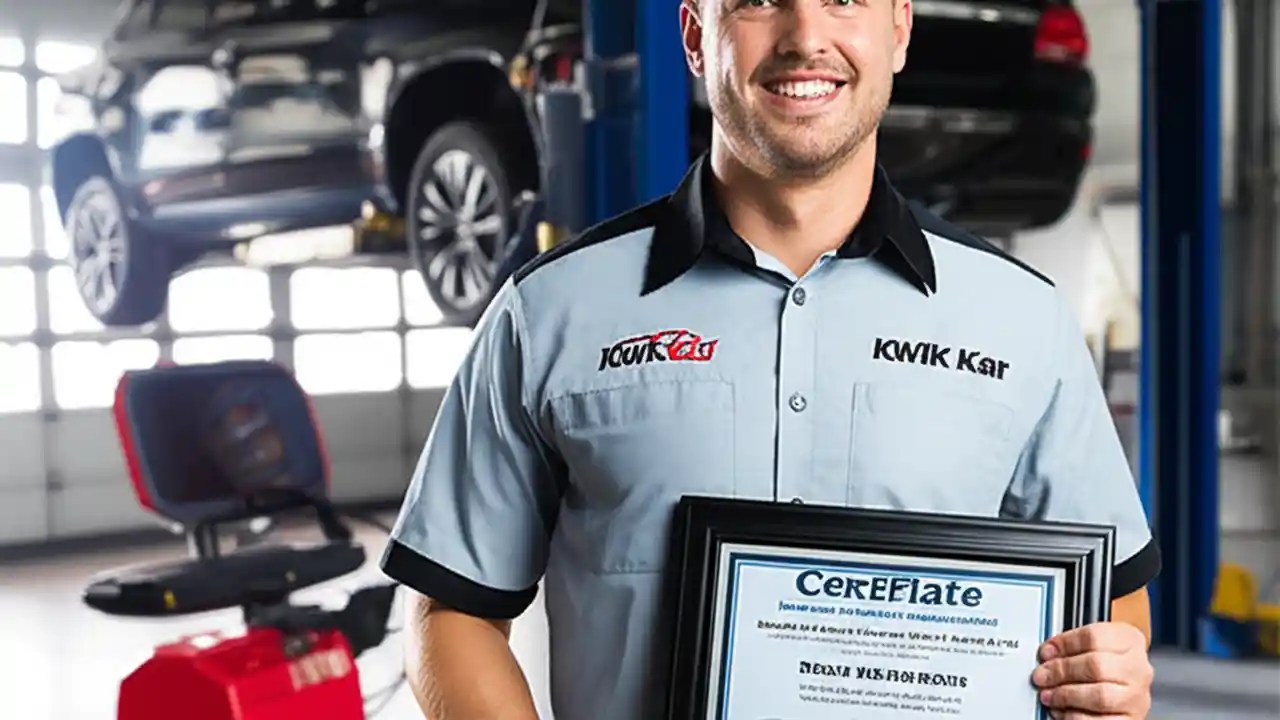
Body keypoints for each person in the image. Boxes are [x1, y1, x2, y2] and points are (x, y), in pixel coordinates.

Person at [380, 1, 1162, 718]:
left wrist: (1106, 676)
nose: (804, 37)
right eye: (757, 0)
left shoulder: (1020, 320)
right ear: (694, 36)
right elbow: (451, 607)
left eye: (844, 0)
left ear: (899, 30)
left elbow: (1112, 600)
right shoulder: (550, 313)